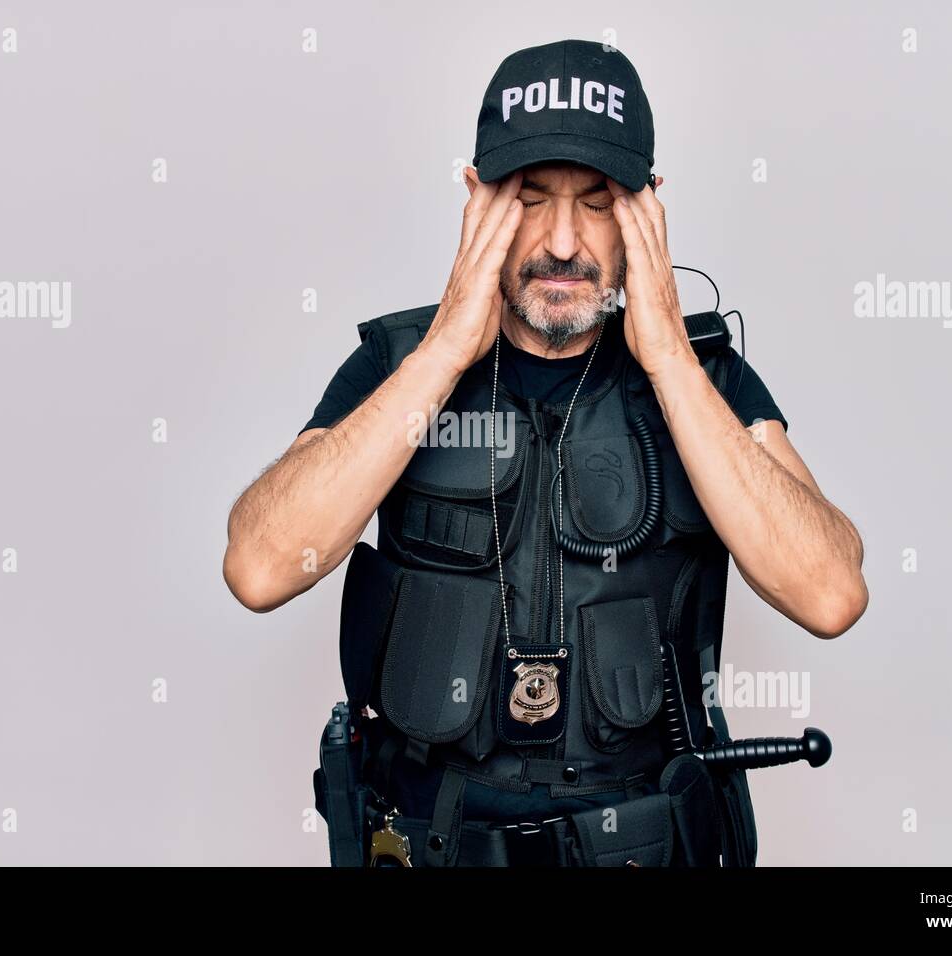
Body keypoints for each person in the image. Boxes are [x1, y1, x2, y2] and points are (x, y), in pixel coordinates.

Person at [223, 39, 868, 867]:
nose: (562, 241)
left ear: (649, 208)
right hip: (429, 841)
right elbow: (259, 568)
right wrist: (447, 347)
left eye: (598, 203)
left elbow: (831, 593)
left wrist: (668, 353)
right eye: (529, 198)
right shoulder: (395, 367)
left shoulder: (706, 380)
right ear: (475, 197)